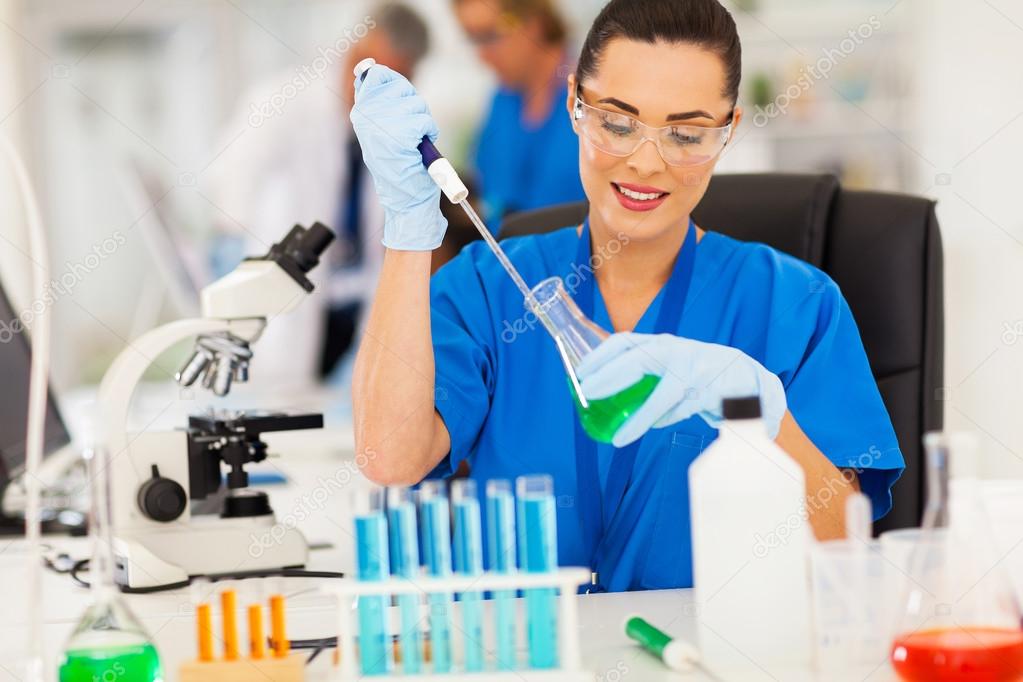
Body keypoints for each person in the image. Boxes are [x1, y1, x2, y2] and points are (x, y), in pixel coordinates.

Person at [350, 0, 905, 592]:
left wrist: (766, 418)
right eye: (617, 122)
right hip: (528, 654)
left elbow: (847, 552)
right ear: (574, 106)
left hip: (710, 658)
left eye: (687, 134)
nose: (646, 162)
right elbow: (389, 459)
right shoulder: (488, 286)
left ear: (729, 133)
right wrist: (409, 226)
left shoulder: (793, 305)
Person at [209, 3, 429, 386]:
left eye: (388, 78)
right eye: (363, 66)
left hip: (354, 310)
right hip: (288, 314)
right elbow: (230, 188)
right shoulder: (285, 103)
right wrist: (237, 270)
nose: (365, 85)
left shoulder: (401, 133)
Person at [452, 0, 586, 225]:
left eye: (489, 35)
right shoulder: (502, 101)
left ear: (532, 24)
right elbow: (488, 197)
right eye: (473, 39)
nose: (482, 55)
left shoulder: (591, 98)